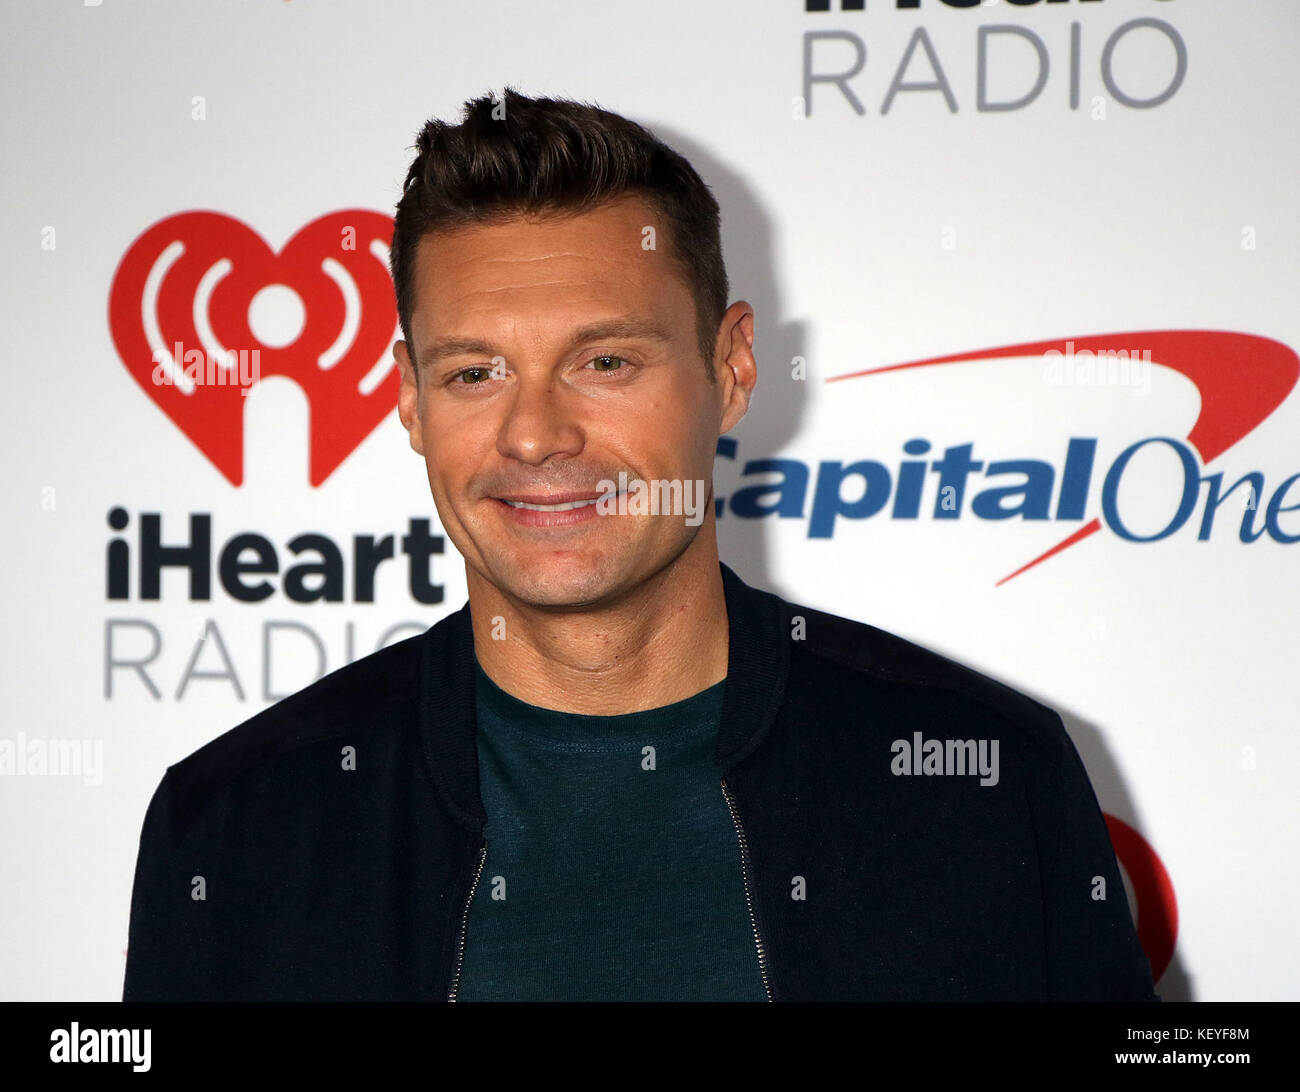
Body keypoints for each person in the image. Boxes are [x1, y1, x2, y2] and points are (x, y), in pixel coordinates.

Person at [123, 88, 1159, 1002]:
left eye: (605, 360)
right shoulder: (240, 824)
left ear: (733, 365)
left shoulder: (982, 781)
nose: (535, 434)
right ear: (406, 401)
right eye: (473, 373)